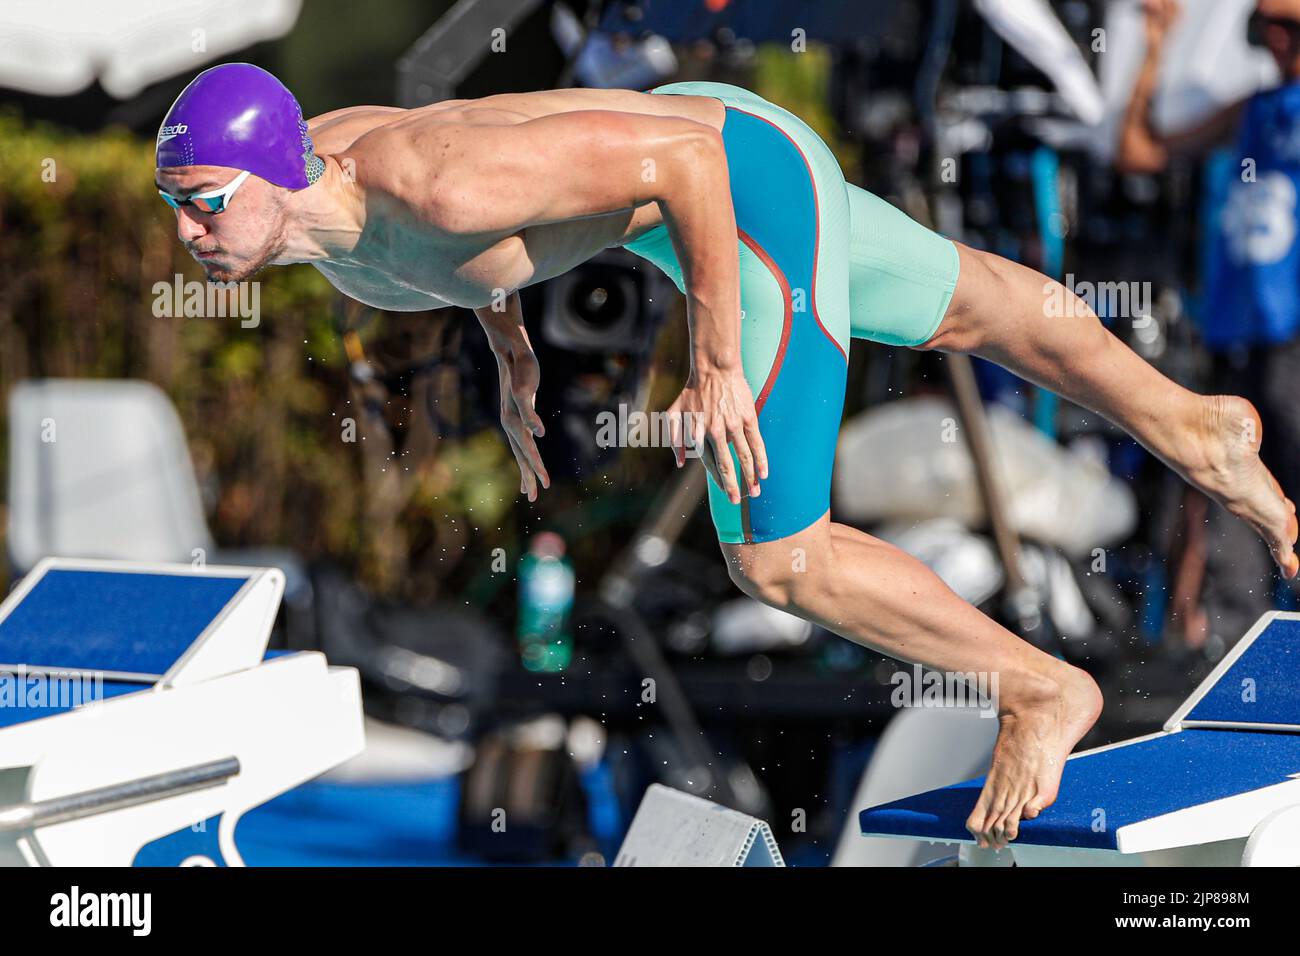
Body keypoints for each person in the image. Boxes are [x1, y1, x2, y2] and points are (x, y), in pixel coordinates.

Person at [156, 62, 1298, 849]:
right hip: (726, 151)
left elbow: (678, 165)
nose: (187, 233)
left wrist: (711, 356)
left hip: (725, 179)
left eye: (202, 204)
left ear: (275, 168)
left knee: (778, 557)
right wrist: (512, 365)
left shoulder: (426, 178)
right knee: (971, 311)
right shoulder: (325, 200)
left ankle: (1042, 685)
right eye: (176, 206)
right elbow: (466, 256)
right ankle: (1197, 424)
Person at [1118, 0, 1300, 650]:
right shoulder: (1254, 106)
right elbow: (1141, 150)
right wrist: (1155, 45)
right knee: (1238, 510)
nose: (1277, 42)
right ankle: (1234, 670)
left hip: (1294, 344)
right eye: (1266, 27)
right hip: (1239, 345)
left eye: (1291, 27)